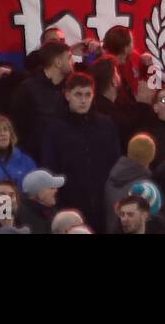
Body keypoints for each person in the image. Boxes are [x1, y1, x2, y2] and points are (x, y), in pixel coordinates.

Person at [41, 72, 120, 230]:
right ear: (67, 94)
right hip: (70, 203)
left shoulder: (106, 125)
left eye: (87, 95)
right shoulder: (55, 128)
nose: (83, 100)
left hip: (103, 204)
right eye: (78, 94)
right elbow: (50, 167)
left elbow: (115, 161)